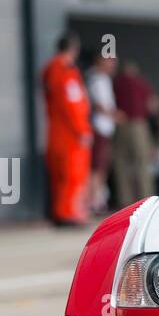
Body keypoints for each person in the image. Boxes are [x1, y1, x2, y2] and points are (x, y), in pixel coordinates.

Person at [40, 32, 91, 225]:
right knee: (72, 175)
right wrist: (83, 130)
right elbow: (73, 104)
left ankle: (60, 211)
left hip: (55, 132)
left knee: (59, 177)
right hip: (71, 135)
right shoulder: (66, 71)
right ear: (73, 49)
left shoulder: (49, 69)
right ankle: (68, 213)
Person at [111, 60, 159, 206]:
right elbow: (154, 105)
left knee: (121, 163)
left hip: (121, 124)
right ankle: (145, 199)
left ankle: (125, 200)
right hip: (139, 124)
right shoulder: (141, 82)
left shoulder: (116, 83)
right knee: (142, 162)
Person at [84, 52, 121, 214]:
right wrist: (115, 115)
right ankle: (93, 202)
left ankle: (98, 200)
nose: (113, 65)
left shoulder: (103, 78)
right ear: (100, 61)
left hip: (105, 128)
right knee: (97, 168)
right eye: (110, 61)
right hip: (98, 128)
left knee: (102, 167)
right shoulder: (97, 78)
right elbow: (99, 105)